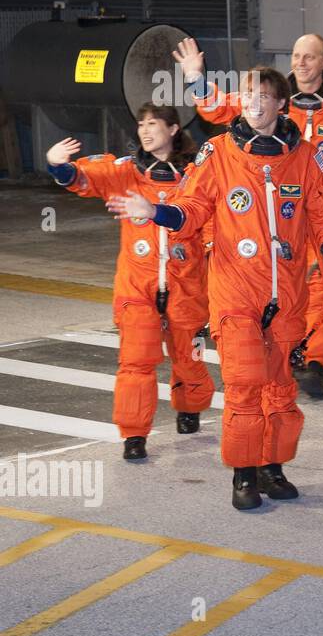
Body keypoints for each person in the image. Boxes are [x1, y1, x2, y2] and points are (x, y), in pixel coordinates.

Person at [108, 68, 323, 510]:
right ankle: (243, 474)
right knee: (242, 384)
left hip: (288, 293)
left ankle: (273, 467)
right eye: (247, 94)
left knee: (279, 388)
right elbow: (192, 209)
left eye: (264, 96)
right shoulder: (217, 153)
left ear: (281, 104)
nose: (254, 102)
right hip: (236, 292)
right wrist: (155, 212)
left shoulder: (306, 157)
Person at [174, 35, 323, 399]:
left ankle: (312, 360)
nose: (301, 63)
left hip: (319, 210)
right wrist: (195, 78)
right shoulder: (265, 98)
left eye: (309, 57)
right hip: (269, 217)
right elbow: (218, 108)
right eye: (296, 56)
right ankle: (279, 362)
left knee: (319, 289)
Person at [45, 106, 214, 461]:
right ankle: (134, 435)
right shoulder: (125, 171)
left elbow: (216, 215)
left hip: (187, 284)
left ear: (172, 128)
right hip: (138, 285)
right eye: (140, 124)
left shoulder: (199, 174)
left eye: (152, 123)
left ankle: (191, 406)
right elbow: (82, 178)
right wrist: (58, 165)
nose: (144, 131)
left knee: (189, 358)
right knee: (135, 362)